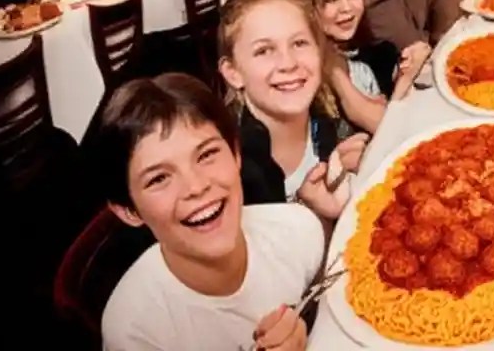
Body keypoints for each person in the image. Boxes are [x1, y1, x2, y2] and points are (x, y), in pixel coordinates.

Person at [96, 74, 323, 351]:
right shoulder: (137, 332)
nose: (196, 187)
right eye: (158, 179)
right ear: (129, 210)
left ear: (236, 154)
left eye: (206, 155)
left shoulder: (297, 231)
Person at [217, 0, 368, 217]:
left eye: (299, 43)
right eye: (264, 50)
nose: (288, 63)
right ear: (233, 72)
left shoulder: (334, 125)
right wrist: (317, 216)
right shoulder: (228, 174)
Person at [290, 0, 429, 132]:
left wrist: (405, 69)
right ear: (307, 8)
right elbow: (387, 129)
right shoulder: (313, 72)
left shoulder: (361, 57)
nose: (346, 8)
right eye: (331, 0)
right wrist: (406, 79)